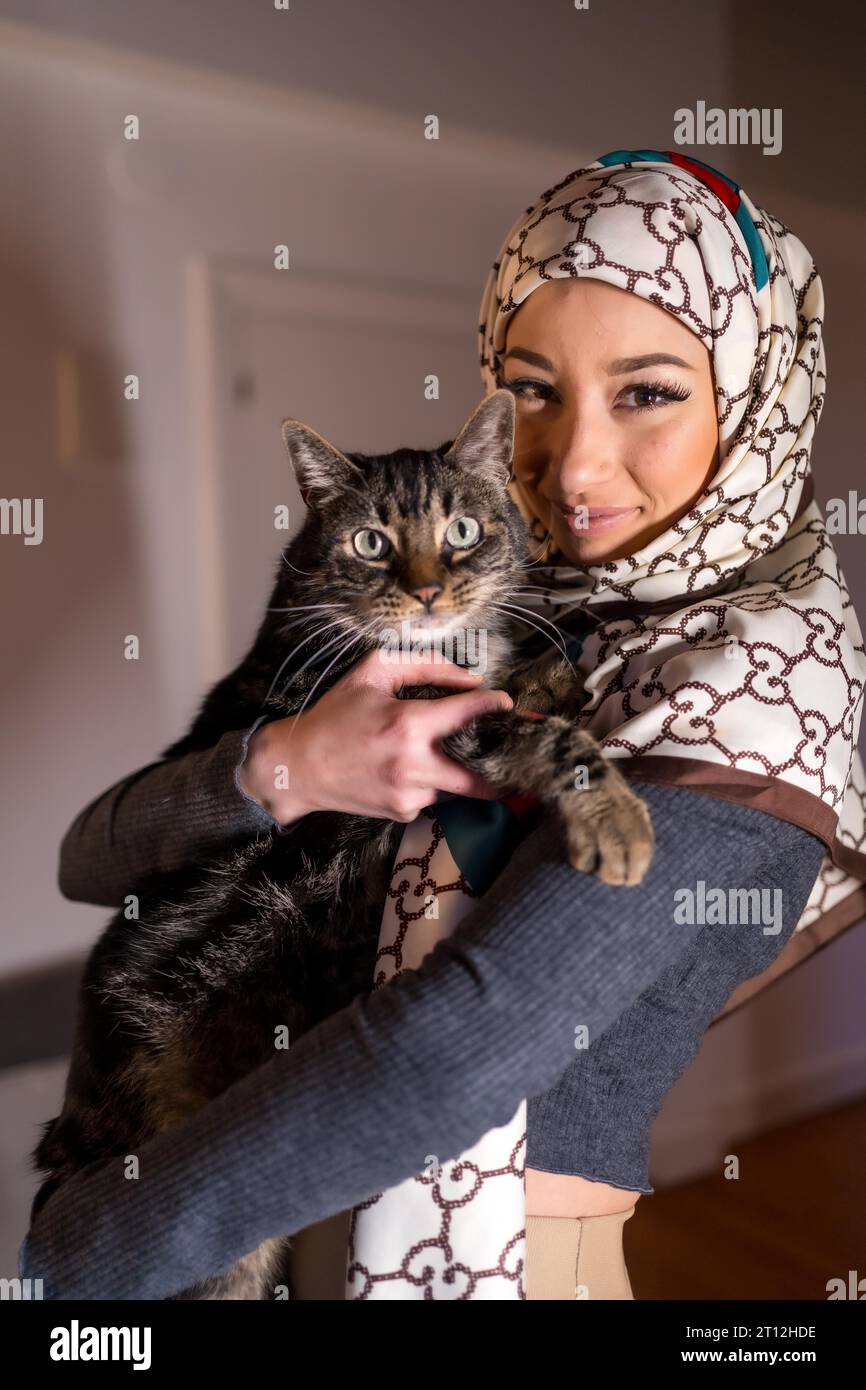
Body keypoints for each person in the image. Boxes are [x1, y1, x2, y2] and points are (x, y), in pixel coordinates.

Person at [19, 149, 866, 1301]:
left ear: (757, 386)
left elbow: (447, 1054)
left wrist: (83, 1253)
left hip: (492, 1262)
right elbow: (88, 859)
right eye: (533, 389)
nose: (572, 465)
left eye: (646, 391)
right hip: (299, 1218)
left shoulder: (760, 692)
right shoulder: (536, 598)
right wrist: (285, 763)